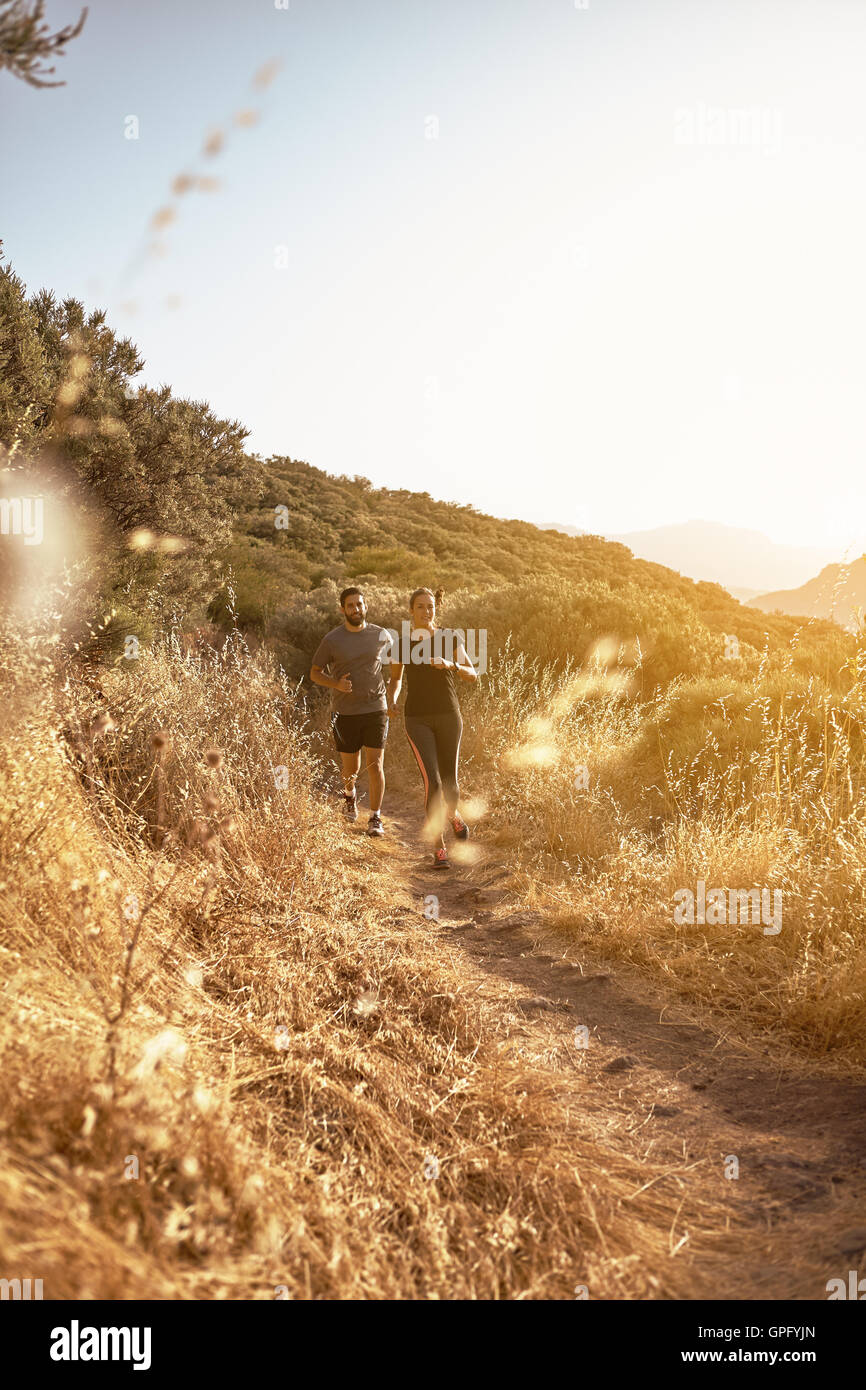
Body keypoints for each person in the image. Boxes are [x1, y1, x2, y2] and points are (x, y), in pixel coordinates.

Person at [387, 587, 477, 868]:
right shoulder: (402, 644)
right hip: (417, 718)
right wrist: (391, 698)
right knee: (434, 783)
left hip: (449, 715)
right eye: (421, 607)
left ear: (436, 609)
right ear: (411, 611)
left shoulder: (449, 638)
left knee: (451, 785)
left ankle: (453, 814)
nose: (427, 611)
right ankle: (438, 847)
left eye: (431, 606)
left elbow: (472, 674)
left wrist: (450, 664)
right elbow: (396, 679)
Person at [310, 587, 395, 837]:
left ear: (365, 606)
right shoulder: (332, 640)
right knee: (351, 769)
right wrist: (335, 684)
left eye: (359, 604)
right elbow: (315, 672)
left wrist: (392, 694)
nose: (356, 609)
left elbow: (396, 667)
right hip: (346, 711)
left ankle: (375, 817)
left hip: (376, 708)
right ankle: (349, 795)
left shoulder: (381, 635)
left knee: (375, 764)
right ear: (342, 609)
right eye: (351, 605)